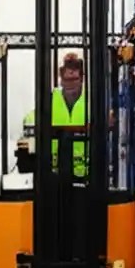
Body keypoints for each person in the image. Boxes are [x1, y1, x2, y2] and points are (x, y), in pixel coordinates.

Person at [19, 52, 88, 180]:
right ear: (61, 79)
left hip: (87, 175)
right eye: (66, 80)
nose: (70, 84)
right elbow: (31, 119)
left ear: (82, 79)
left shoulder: (91, 101)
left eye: (74, 80)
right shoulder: (51, 100)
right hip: (54, 173)